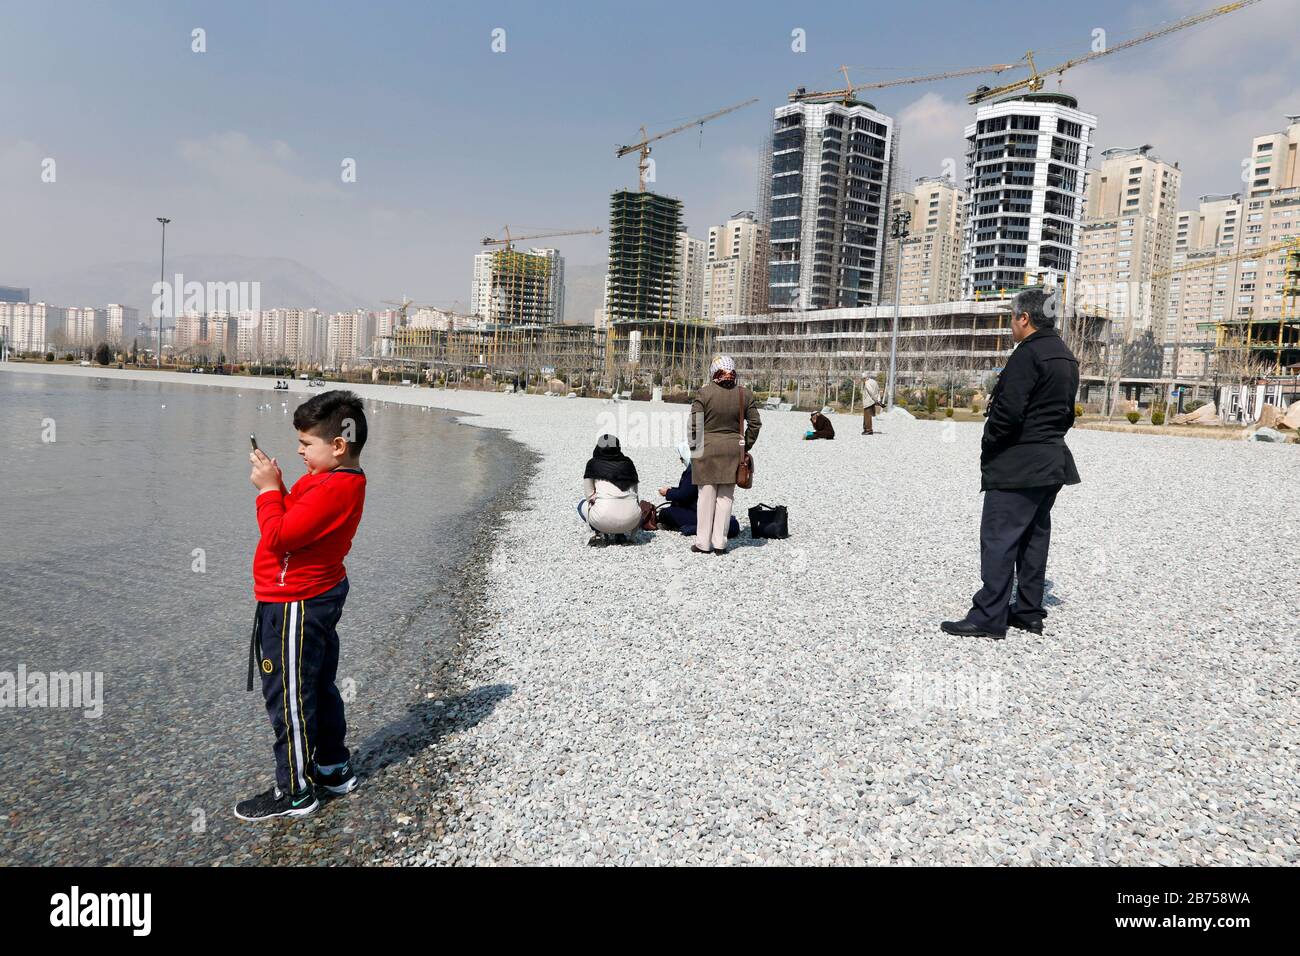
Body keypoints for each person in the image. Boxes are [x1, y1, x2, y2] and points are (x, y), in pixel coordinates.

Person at [238, 390, 368, 821]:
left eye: (306, 444)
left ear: (338, 445)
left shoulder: (336, 488)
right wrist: (280, 486)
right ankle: (333, 768)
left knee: (290, 697)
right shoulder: (331, 479)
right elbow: (300, 518)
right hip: (312, 595)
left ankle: (295, 792)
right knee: (317, 684)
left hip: (297, 601)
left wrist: (268, 491)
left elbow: (279, 536)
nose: (299, 451)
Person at [942, 287, 1081, 640]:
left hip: (1019, 463)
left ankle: (989, 617)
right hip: (1051, 460)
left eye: (1011, 318)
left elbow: (1008, 412)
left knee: (999, 538)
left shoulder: (1027, 355)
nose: (1010, 325)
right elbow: (1066, 414)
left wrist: (990, 445)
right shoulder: (1065, 356)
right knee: (1034, 538)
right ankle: (1029, 611)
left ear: (1024, 318)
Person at [688, 355, 761, 555]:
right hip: (733, 450)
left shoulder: (704, 393)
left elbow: (695, 426)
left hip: (707, 449)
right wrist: (745, 446)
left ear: (713, 371)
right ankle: (720, 543)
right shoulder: (744, 394)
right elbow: (755, 424)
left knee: (706, 497)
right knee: (726, 498)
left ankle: (703, 543)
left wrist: (694, 450)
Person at [657, 440, 740, 538]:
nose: (681, 460)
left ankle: (696, 528)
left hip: (698, 512)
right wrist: (672, 490)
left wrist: (667, 493)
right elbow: (690, 491)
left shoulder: (693, 470)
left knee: (665, 513)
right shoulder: (707, 466)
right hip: (712, 511)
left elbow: (684, 495)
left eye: (681, 457)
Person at [579, 434, 642, 544]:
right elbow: (635, 493)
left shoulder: (593, 464)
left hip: (603, 519)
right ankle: (620, 533)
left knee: (581, 505)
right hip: (632, 520)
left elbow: (589, 495)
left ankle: (598, 532)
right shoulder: (628, 463)